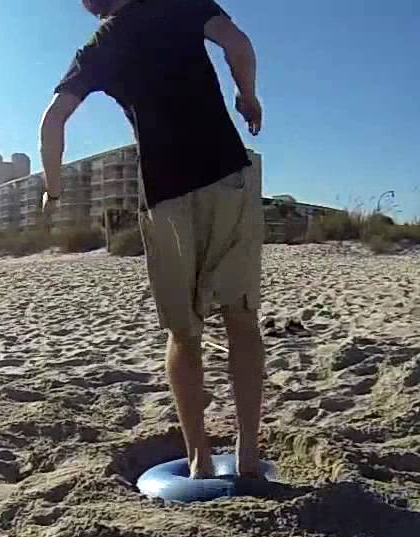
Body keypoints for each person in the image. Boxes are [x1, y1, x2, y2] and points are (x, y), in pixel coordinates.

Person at [40, 0, 265, 480]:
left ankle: (201, 459)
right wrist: (247, 96)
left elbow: (53, 121)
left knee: (183, 333)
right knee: (240, 316)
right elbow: (239, 45)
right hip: (227, 173)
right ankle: (247, 456)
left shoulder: (100, 46)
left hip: (164, 194)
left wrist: (54, 190)